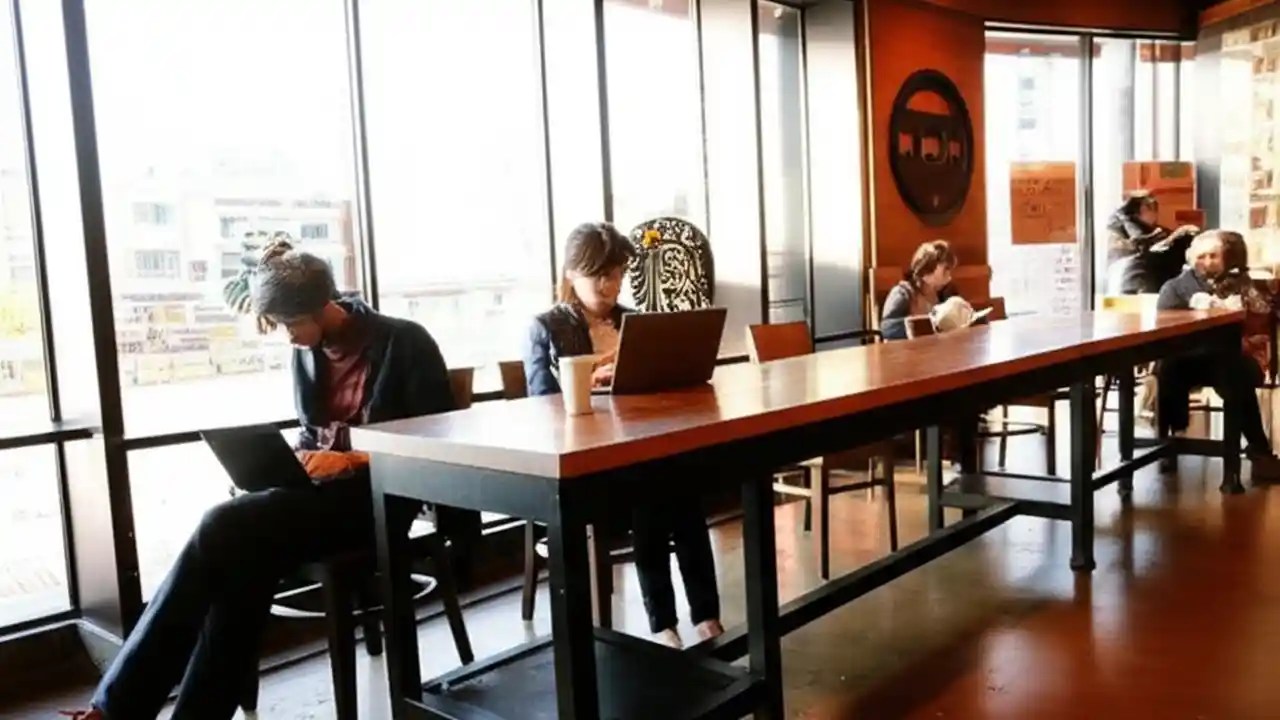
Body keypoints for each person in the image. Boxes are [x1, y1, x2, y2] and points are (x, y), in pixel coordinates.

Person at [69, 240, 457, 720]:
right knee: (241, 566)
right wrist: (293, 462)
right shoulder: (308, 354)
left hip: (377, 502)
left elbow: (441, 447)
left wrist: (354, 461)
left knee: (221, 526)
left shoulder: (405, 342)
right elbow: (314, 431)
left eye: (291, 324)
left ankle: (117, 709)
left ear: (322, 306)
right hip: (317, 500)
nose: (288, 337)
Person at [523, 221, 723, 649]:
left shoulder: (634, 322)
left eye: (616, 273)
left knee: (684, 495)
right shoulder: (545, 328)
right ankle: (664, 623)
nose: (610, 284)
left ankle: (705, 616)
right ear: (572, 272)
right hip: (588, 460)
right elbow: (542, 408)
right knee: (654, 496)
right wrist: (594, 378)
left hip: (640, 446)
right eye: (600, 274)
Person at [1156, 230, 1280, 481]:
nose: (1207, 261)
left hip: (1233, 356)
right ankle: (1258, 452)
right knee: (1170, 365)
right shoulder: (1175, 287)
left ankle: (1249, 457)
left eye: (1214, 255)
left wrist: (1237, 305)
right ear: (1191, 258)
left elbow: (1260, 316)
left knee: (1233, 370)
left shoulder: (1242, 283)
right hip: (1187, 359)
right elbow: (1164, 326)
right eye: (1201, 256)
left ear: (1225, 257)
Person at [1104, 192, 1200, 295]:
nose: (1156, 213)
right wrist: (1175, 236)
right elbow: (1141, 246)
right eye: (1153, 208)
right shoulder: (1129, 227)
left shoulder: (1146, 228)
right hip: (1134, 284)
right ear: (1143, 209)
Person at [880, 239, 964, 340]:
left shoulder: (947, 292)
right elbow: (887, 328)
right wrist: (929, 323)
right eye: (945, 269)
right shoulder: (903, 293)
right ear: (927, 269)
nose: (949, 275)